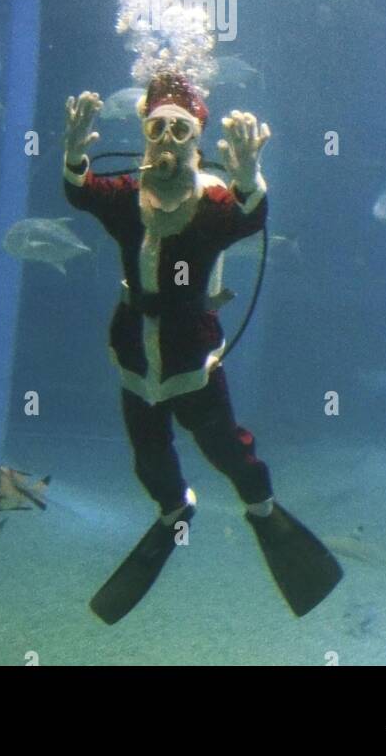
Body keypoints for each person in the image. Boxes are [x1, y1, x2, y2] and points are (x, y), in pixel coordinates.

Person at [63, 71, 341, 622]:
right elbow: (81, 192)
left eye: (179, 130)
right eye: (157, 127)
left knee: (227, 450)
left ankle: (260, 508)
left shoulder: (212, 204)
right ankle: (174, 508)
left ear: (196, 140)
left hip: (193, 360)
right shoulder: (125, 199)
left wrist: (248, 175)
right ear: (145, 134)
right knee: (149, 454)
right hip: (134, 359)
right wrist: (73, 154)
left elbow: (250, 215)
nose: (166, 139)